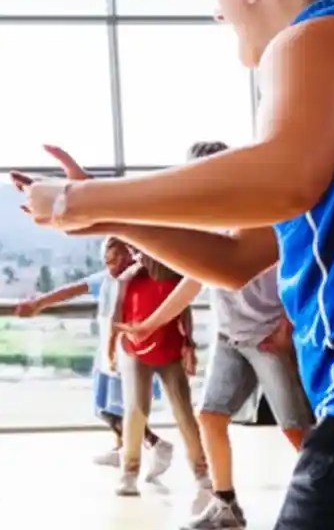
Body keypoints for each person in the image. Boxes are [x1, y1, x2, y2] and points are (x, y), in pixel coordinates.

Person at [14, 0, 334, 528]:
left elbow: (283, 177)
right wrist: (105, 217)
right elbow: (240, 257)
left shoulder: (318, 37)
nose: (216, 8)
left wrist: (80, 198)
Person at [116, 141, 313, 529]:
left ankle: (332, 493)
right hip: (229, 339)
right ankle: (225, 506)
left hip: (266, 337)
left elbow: (301, 269)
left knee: (294, 426)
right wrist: (149, 323)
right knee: (210, 415)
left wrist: (286, 326)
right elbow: (192, 282)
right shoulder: (208, 225)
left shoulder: (261, 215)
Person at [14, 235, 171, 469]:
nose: (113, 263)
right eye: (108, 259)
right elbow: (71, 290)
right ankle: (122, 449)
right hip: (108, 354)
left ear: (132, 255)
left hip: (131, 353)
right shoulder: (105, 280)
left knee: (122, 410)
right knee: (106, 407)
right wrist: (39, 304)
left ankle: (155, 443)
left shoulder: (142, 281)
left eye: (119, 257)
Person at [108, 250, 208, 496]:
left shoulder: (177, 275)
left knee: (183, 411)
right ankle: (129, 473)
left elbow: (184, 311)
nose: (140, 257)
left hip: (169, 350)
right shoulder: (128, 279)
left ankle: (201, 471)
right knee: (136, 409)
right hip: (134, 350)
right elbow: (116, 313)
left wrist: (189, 345)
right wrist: (110, 350)